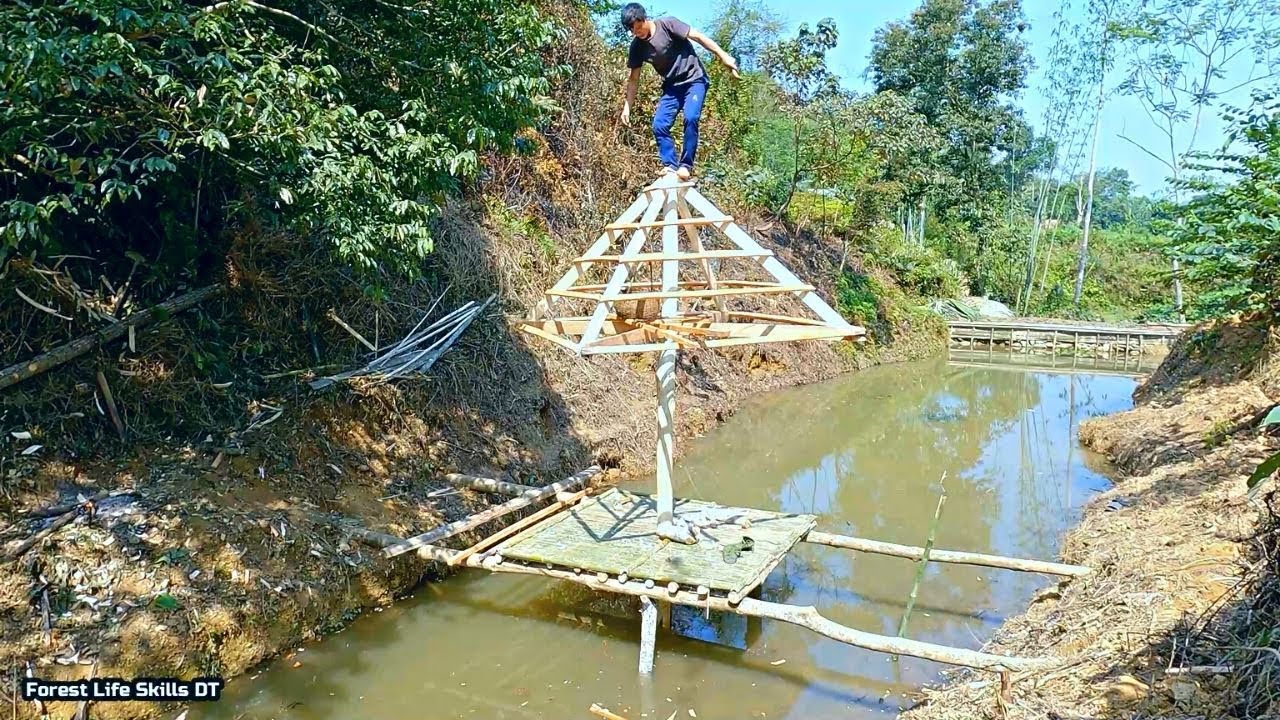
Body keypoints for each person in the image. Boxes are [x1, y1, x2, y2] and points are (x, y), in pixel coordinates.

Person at [620, 3, 740, 181]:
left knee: (691, 117)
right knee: (659, 125)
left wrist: (723, 56)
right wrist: (627, 107)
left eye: (638, 28)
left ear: (644, 19)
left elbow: (698, 37)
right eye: (633, 31)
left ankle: (685, 165)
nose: (637, 33)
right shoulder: (637, 47)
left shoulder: (668, 25)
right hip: (672, 86)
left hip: (694, 80)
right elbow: (633, 79)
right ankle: (670, 165)